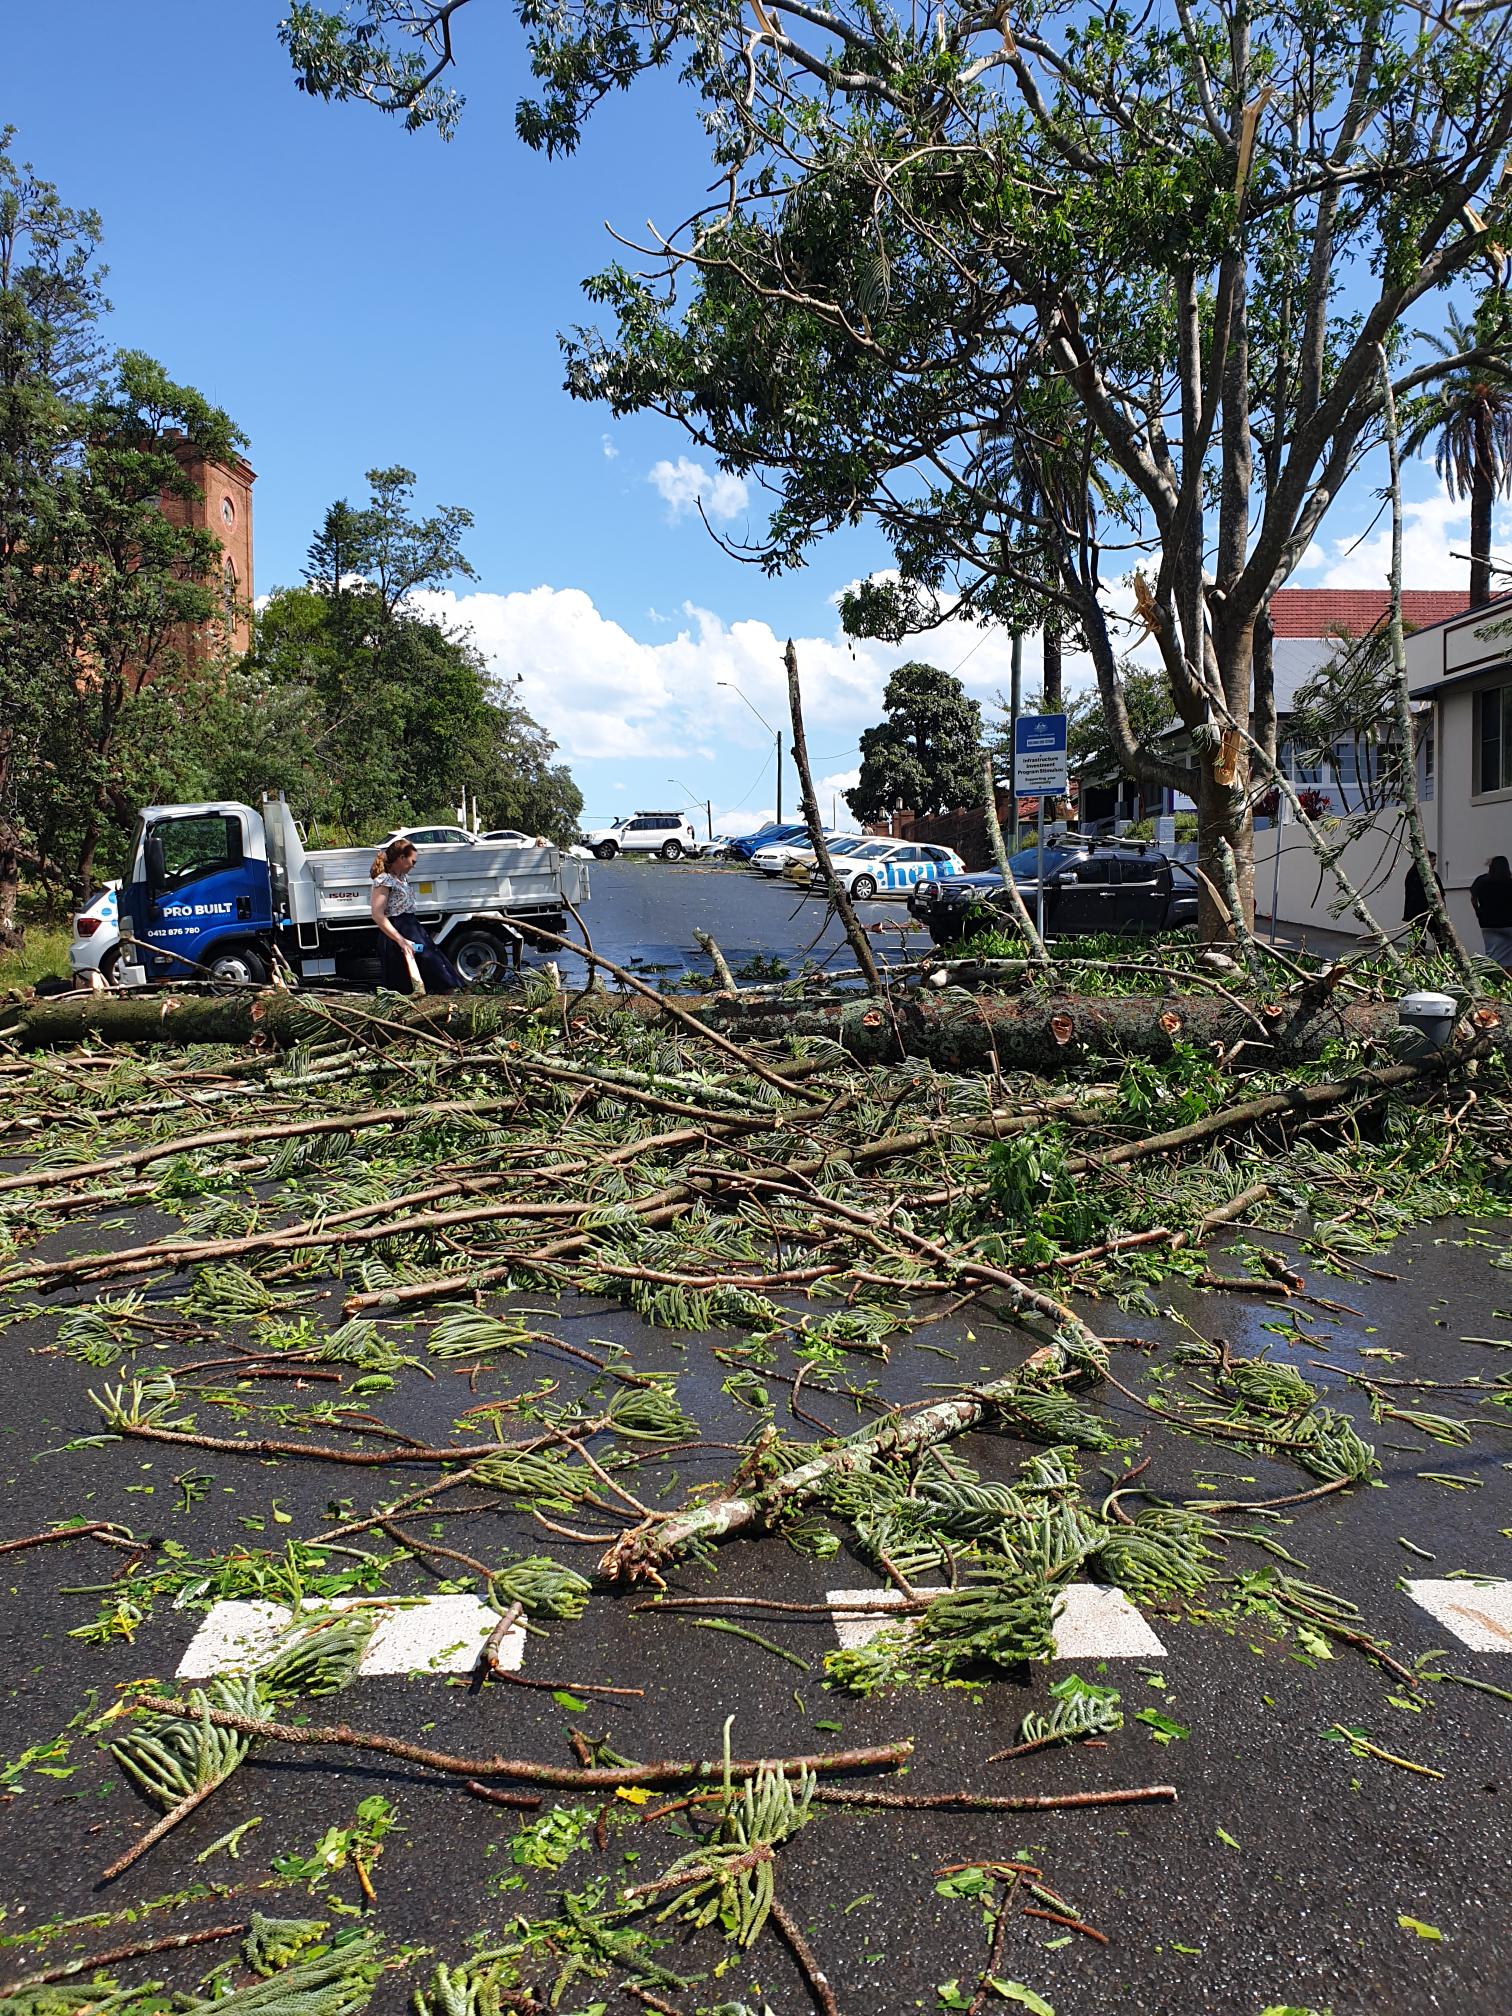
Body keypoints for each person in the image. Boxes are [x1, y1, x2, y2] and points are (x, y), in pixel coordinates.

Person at [369, 838, 462, 994]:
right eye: (413, 861)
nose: (414, 865)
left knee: (439, 971)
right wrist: (401, 941)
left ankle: (445, 1011)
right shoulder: (384, 880)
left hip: (413, 929)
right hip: (397, 933)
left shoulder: (403, 879)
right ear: (401, 858)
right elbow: (377, 915)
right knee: (406, 982)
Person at [1470, 854, 1512, 970]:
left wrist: (1478, 913)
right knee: (1509, 956)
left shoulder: (1481, 880)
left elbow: (1473, 899)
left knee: (1493, 955)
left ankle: (1494, 978)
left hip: (1488, 923)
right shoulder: (1509, 882)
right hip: (1509, 922)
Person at [1403, 849, 1448, 950]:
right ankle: (1421, 960)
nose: (1435, 863)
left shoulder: (1431, 875)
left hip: (1426, 912)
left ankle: (1439, 957)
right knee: (1422, 940)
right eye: (1433, 861)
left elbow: (1441, 894)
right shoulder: (1414, 875)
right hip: (1420, 912)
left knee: (1437, 938)